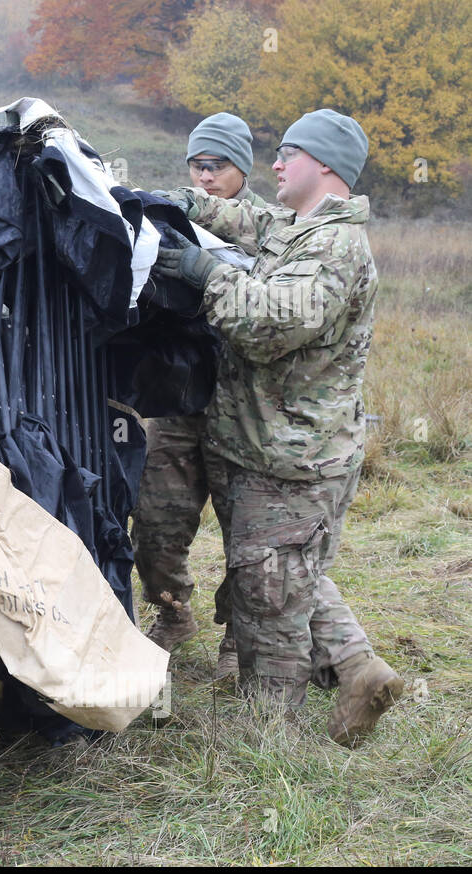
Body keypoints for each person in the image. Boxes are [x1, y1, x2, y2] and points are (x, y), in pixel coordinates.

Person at [153, 108, 404, 747]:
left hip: (291, 460)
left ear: (325, 165)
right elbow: (249, 219)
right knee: (281, 577)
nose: (275, 163)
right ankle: (357, 670)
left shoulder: (334, 247)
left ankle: (273, 738)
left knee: (271, 601)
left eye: (289, 154)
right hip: (266, 449)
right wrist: (178, 203)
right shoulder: (296, 228)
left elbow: (268, 327)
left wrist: (207, 272)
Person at [134, 113, 266, 681]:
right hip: (179, 402)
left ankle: (237, 638)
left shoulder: (273, 228)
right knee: (154, 521)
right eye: (197, 165)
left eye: (218, 166)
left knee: (248, 534)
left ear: (243, 170)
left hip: (246, 410)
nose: (205, 176)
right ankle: (172, 613)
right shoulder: (172, 221)